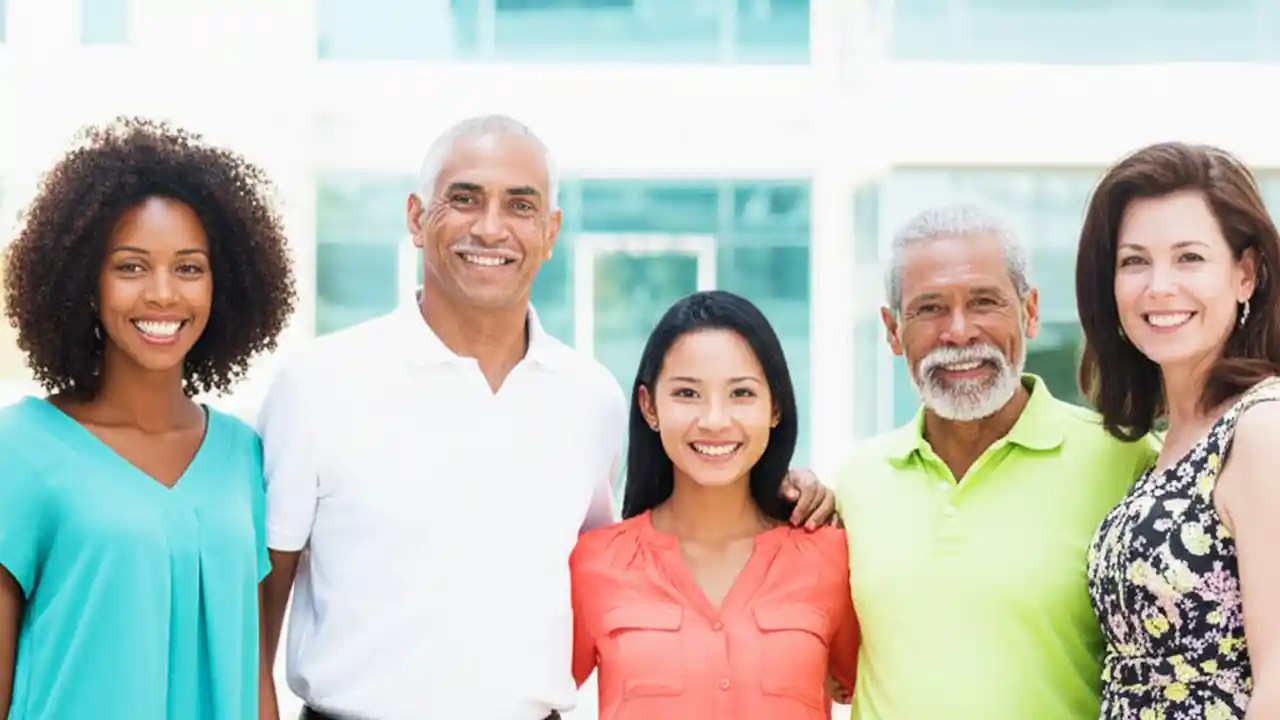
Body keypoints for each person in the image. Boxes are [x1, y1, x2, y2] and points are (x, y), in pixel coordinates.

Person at [255, 114, 836, 720]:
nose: (490, 227)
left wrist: (780, 488)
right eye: (464, 199)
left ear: (551, 230)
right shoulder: (318, 384)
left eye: (520, 205)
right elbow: (253, 630)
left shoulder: (589, 398)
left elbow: (635, 560)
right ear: (415, 218)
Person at [0, 117, 295, 720]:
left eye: (189, 267)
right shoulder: (21, 449)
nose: (163, 294)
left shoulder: (243, 454)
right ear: (86, 281)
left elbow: (254, 675)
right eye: (131, 267)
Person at [832, 204, 1159, 719]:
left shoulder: (1128, 460)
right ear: (893, 330)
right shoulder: (854, 484)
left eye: (984, 302)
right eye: (930, 309)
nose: (959, 332)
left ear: (1029, 312)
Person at [570, 290, 859, 720]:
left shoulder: (831, 556)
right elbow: (523, 696)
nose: (715, 420)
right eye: (687, 393)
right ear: (649, 407)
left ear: (774, 407)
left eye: (742, 393)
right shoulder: (594, 565)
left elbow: (877, 690)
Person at [1076, 142, 1280, 719]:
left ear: (1246, 274)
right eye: (1134, 261)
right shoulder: (1169, 443)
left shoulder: (1263, 430)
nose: (1159, 286)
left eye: (1189, 257)